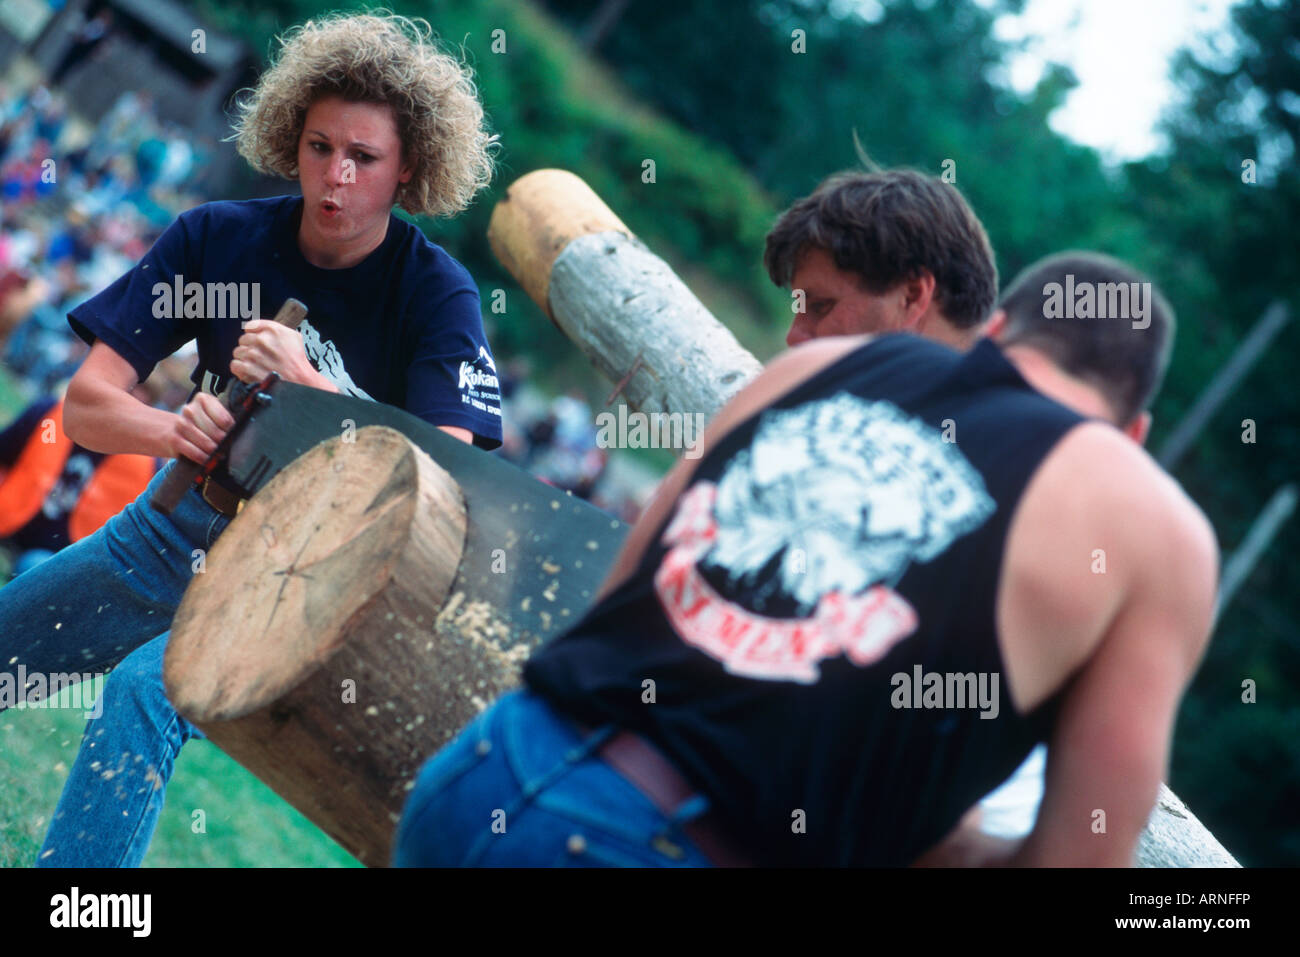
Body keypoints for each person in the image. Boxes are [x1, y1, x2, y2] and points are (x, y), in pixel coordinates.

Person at [393, 232, 1216, 868]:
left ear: (999, 332)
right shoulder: (1156, 525)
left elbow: (621, 589)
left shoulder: (818, 365)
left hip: (488, 766)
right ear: (1135, 432)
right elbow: (1084, 851)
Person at [0, 12, 501, 867]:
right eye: (318, 146)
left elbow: (447, 474)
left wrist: (316, 388)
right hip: (167, 530)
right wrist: (172, 427)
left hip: (297, 574)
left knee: (140, 695)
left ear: (409, 167)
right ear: (291, 137)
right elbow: (85, 405)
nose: (335, 176)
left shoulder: (439, 296)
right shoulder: (216, 236)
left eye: (364, 158)